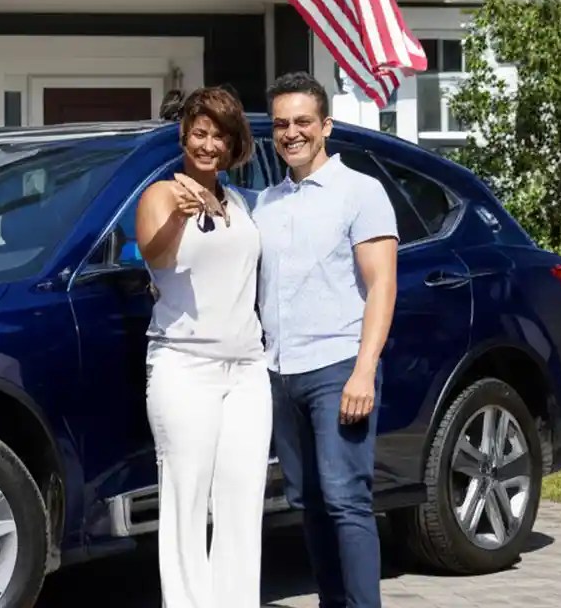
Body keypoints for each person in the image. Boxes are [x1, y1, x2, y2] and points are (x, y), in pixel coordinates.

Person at [253, 72, 399, 608]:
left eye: (303, 122)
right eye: (281, 124)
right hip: (280, 372)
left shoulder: (360, 192)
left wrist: (364, 371)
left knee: (345, 500)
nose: (291, 133)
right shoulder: (265, 203)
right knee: (307, 501)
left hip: (338, 367)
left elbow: (382, 285)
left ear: (326, 126)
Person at [134, 86, 272, 608]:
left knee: (242, 498)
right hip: (185, 365)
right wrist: (178, 218)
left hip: (247, 368)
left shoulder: (238, 201)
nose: (209, 144)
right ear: (183, 135)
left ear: (233, 143)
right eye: (200, 133)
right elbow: (157, 257)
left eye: (219, 135)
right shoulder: (162, 195)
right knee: (186, 497)